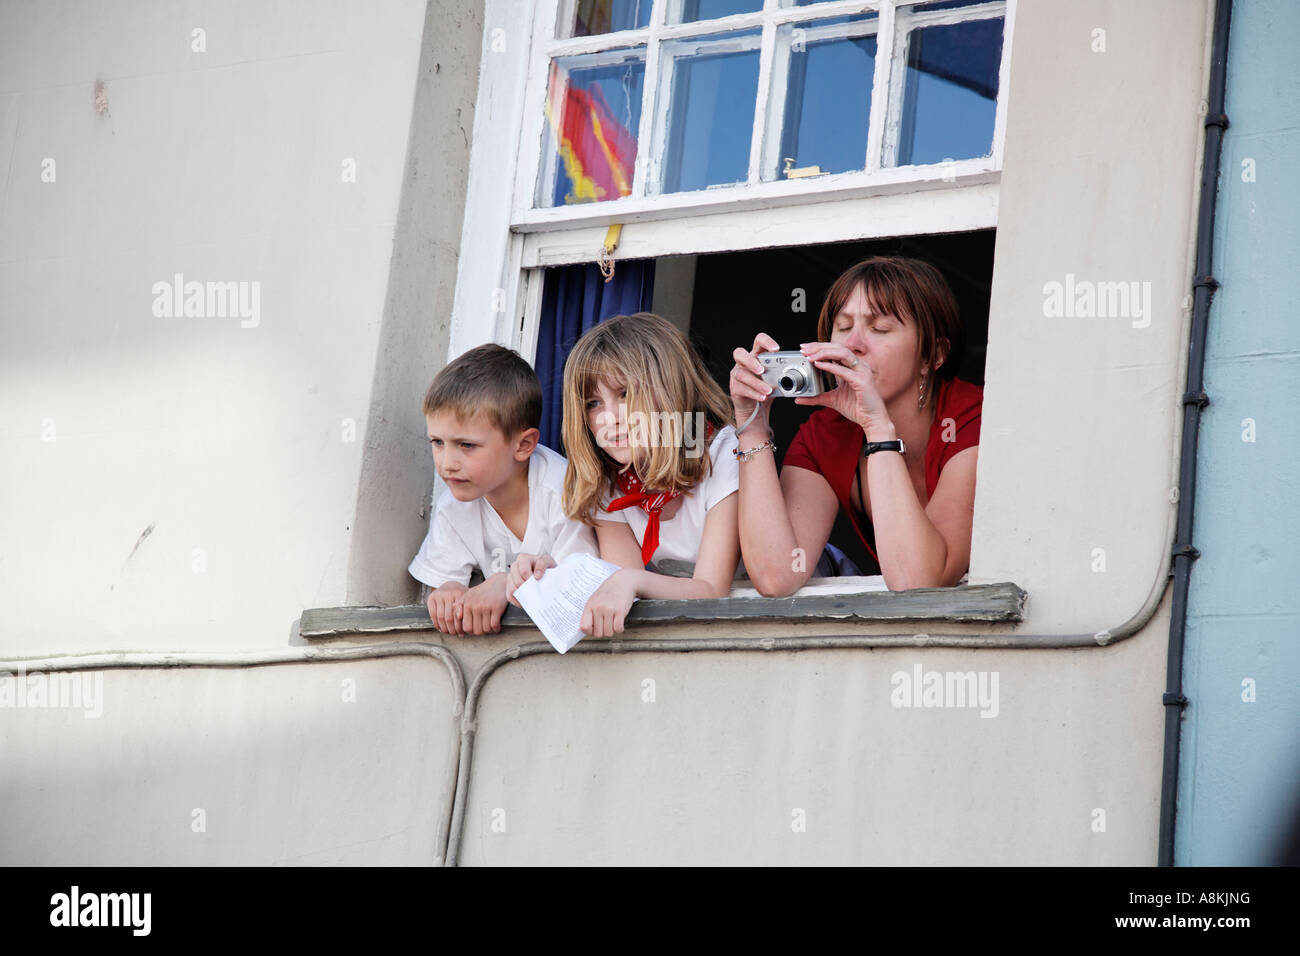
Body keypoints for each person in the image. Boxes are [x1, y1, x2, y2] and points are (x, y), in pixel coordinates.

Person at [729, 256, 982, 595]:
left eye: (880, 329)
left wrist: (878, 429)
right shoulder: (824, 435)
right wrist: (752, 427)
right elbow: (778, 574)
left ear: (932, 356)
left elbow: (919, 582)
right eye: (844, 327)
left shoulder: (975, 417)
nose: (852, 345)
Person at [509, 313, 741, 637]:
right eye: (593, 403)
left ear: (671, 389)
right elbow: (622, 583)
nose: (610, 418)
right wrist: (551, 575)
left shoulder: (720, 450)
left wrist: (632, 581)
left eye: (626, 395)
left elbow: (711, 589)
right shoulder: (607, 482)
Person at [408, 343, 598, 635]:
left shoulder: (563, 491)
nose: (447, 463)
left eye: (466, 445)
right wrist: (447, 591)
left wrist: (504, 584)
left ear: (522, 445)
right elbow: (442, 582)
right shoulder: (455, 503)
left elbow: (582, 587)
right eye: (437, 442)